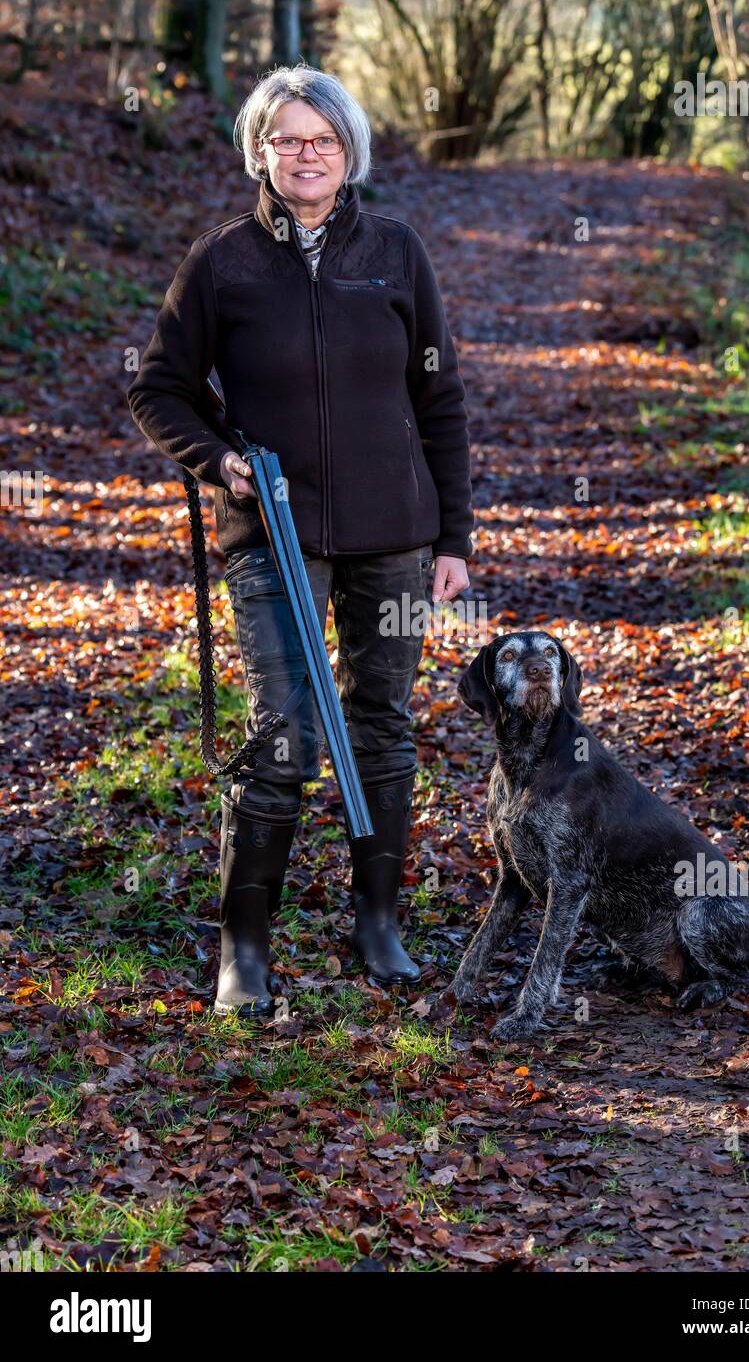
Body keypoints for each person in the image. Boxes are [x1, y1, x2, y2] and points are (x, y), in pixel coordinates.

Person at [128, 64, 473, 1015]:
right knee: (281, 736)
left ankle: (378, 923)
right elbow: (159, 385)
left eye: (323, 139)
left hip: (393, 533)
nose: (306, 153)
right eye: (288, 139)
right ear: (261, 151)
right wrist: (218, 459)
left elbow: (437, 396)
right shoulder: (222, 261)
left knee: (383, 727)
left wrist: (453, 536)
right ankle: (244, 947)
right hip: (271, 529)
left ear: (348, 149)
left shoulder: (397, 253)